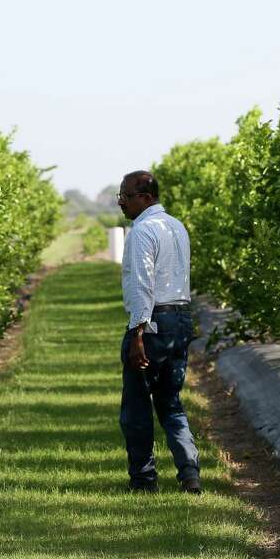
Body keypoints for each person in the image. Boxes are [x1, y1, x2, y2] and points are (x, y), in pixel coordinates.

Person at [116, 170, 201, 493]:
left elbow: (143, 283)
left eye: (126, 196)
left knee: (137, 406)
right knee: (170, 401)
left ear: (146, 198)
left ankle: (143, 480)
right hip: (180, 319)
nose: (121, 202)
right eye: (120, 196)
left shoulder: (142, 231)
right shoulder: (176, 226)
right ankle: (189, 472)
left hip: (154, 323)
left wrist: (138, 332)